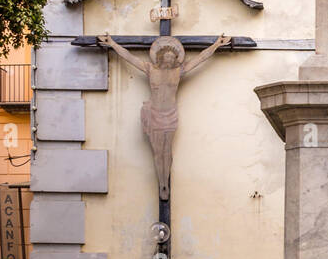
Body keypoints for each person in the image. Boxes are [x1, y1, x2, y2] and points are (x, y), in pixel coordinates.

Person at [98, 33, 231, 199]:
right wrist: (112, 43)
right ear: (160, 57)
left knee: (167, 151)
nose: (169, 59)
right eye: (166, 56)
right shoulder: (150, 69)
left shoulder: (179, 71)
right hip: (154, 113)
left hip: (171, 115)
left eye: (172, 57)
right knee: (157, 151)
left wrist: (217, 44)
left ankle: (164, 183)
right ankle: (161, 182)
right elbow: (129, 57)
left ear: (176, 59)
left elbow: (201, 58)